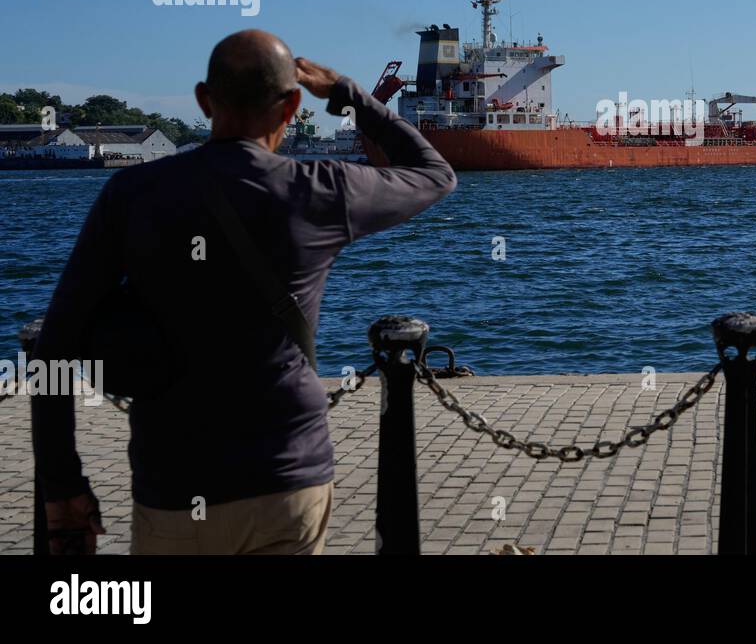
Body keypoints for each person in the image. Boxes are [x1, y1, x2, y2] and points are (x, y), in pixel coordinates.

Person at [32, 30, 458, 553]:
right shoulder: (323, 189)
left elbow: (54, 346)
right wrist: (347, 94)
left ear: (204, 100)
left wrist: (62, 486)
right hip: (287, 478)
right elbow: (434, 175)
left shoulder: (131, 194)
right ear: (293, 106)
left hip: (176, 485)